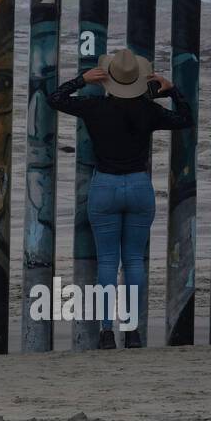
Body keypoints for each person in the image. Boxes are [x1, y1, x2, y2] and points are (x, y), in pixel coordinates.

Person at [47, 47, 193, 350]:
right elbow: (184, 118)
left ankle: (106, 333)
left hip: (105, 186)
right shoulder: (148, 110)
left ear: (107, 79)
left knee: (107, 262)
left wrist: (81, 80)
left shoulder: (93, 107)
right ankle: (133, 331)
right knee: (134, 262)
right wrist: (172, 89)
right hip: (139, 187)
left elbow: (55, 99)